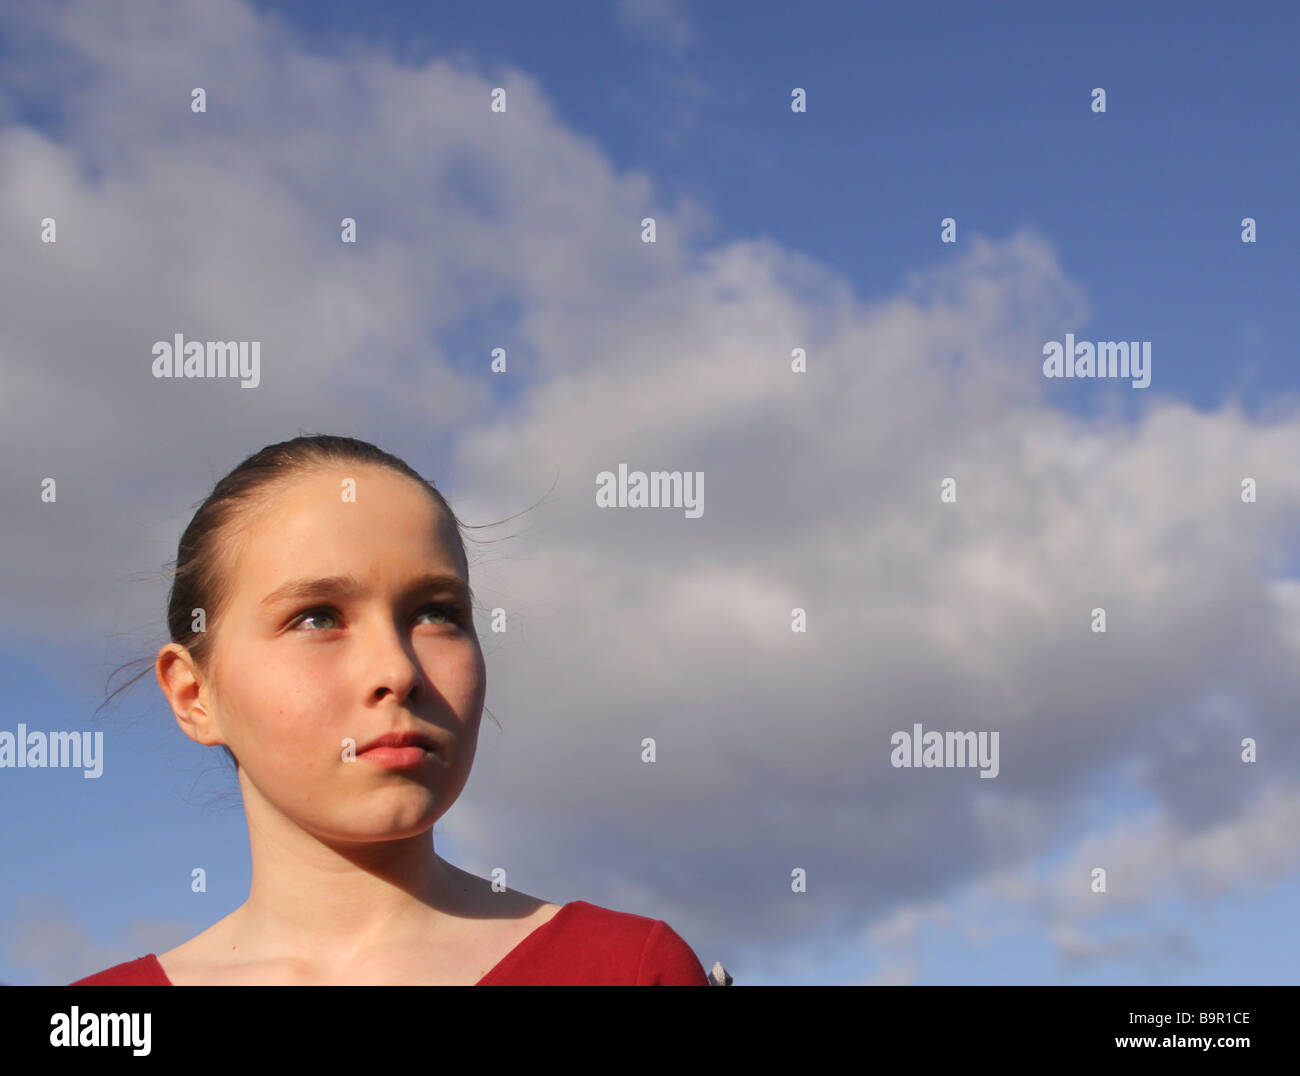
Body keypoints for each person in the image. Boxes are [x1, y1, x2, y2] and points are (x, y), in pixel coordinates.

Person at [70, 435, 709, 986]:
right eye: (317, 618)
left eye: (437, 613)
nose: (398, 672)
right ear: (193, 695)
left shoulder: (622, 970)